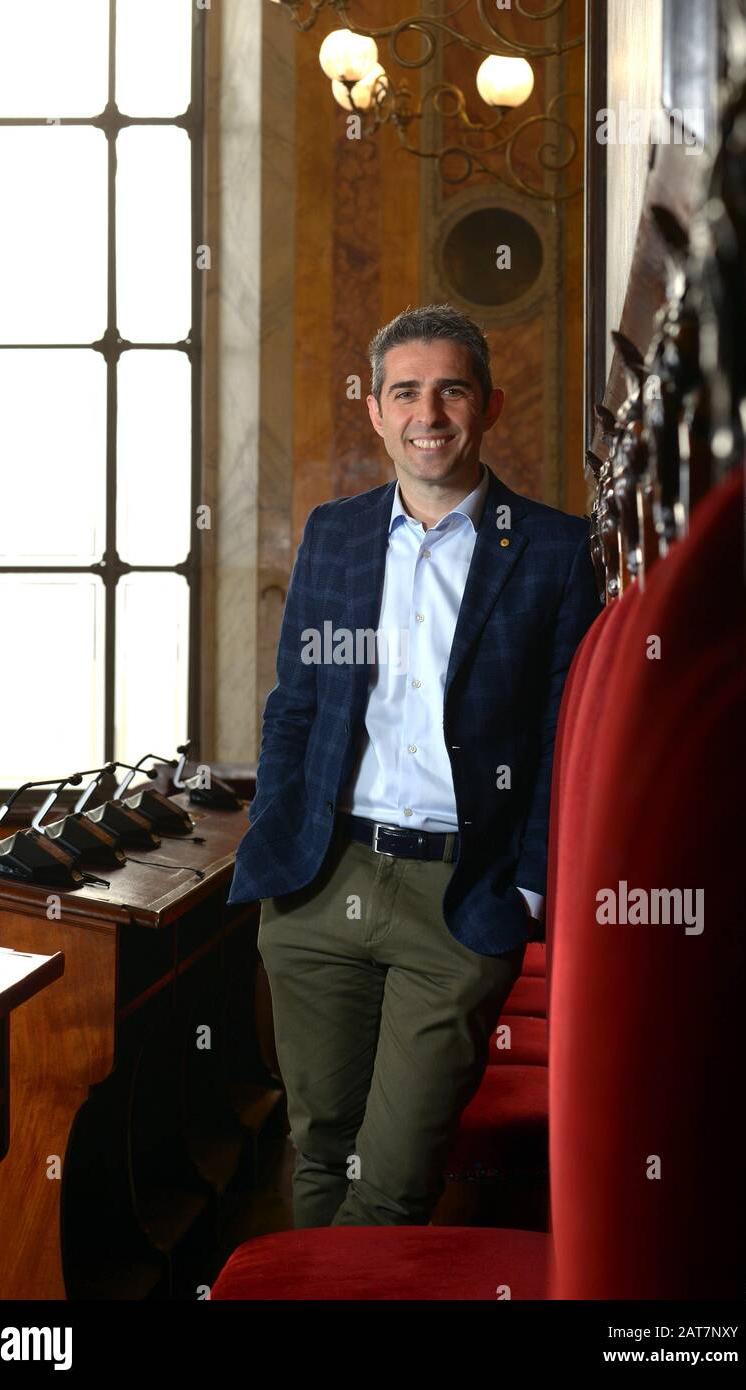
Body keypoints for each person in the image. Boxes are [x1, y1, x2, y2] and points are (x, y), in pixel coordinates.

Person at [227, 303, 602, 1226]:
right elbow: (298, 705)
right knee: (317, 1148)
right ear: (374, 409)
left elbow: (569, 735)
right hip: (320, 880)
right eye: (405, 392)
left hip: (460, 899)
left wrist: (525, 891)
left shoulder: (555, 549)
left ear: (490, 405)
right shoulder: (337, 534)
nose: (426, 413)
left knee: (392, 1180)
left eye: (450, 390)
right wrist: (277, 833)